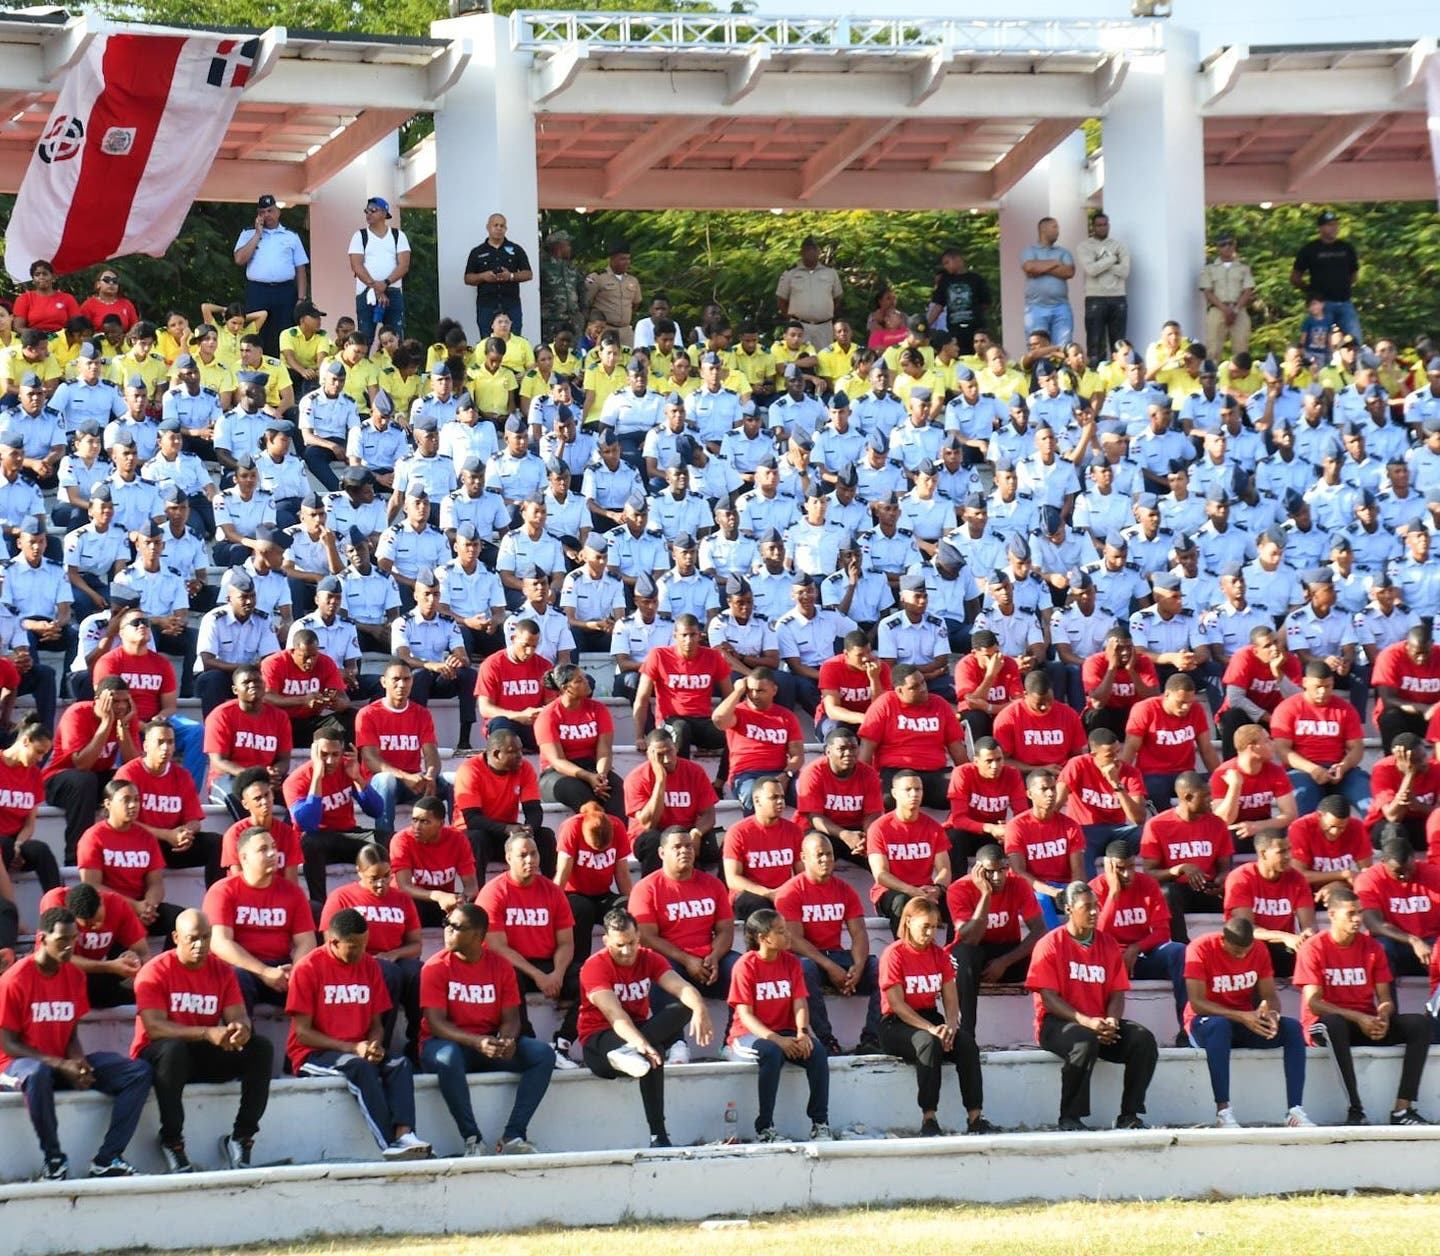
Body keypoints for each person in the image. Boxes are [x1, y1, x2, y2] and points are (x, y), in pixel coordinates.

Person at [0, 906, 153, 1180]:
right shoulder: (14, 979)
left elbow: (70, 1032)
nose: (70, 947)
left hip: (58, 1063)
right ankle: (54, 1160)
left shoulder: (75, 975)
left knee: (137, 1072)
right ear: (43, 939)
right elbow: (9, 1044)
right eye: (62, 940)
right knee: (37, 1073)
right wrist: (61, 1064)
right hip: (17, 1067)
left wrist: (78, 1061)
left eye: (73, 939)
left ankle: (107, 1159)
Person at [131, 909, 276, 1172]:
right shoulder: (154, 971)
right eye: (192, 938)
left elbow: (239, 1015)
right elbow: (154, 1028)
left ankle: (241, 1138)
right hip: (158, 1056)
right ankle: (172, 1140)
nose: (200, 945)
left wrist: (241, 1029)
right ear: (176, 938)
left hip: (199, 1053)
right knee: (173, 1050)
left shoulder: (222, 971)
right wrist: (207, 1033)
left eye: (206, 937)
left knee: (260, 1048)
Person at [286, 909, 432, 1159]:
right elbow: (303, 1034)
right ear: (334, 942)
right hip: (314, 1054)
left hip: (357, 1050)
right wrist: (353, 1048)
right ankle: (389, 1144)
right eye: (354, 946)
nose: (361, 951)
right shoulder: (308, 968)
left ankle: (405, 1135)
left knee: (399, 1064)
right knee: (360, 1067)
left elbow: (376, 1024)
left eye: (364, 944)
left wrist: (374, 1044)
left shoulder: (370, 965)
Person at [419, 901, 554, 1157]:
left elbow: (511, 1018)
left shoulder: (501, 966)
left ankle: (513, 1136)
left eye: (456, 927)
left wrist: (507, 1040)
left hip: (486, 1044)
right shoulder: (435, 967)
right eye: (446, 924)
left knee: (543, 1054)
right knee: (447, 1057)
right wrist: (477, 1042)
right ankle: (472, 1139)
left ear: (478, 935)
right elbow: (436, 1024)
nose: (447, 930)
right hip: (447, 1044)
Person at [1294, 887, 1431, 1126]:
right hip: (1326, 1025)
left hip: (1364, 1023)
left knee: (1419, 1024)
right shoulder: (1314, 947)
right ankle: (1356, 1110)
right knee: (1334, 1024)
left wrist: (1383, 1017)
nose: (1358, 919)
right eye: (1351, 914)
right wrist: (1358, 1017)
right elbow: (1315, 1004)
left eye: (1360, 912)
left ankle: (1403, 1109)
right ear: (1332, 915)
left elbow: (1385, 998)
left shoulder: (1373, 947)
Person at [1027, 881, 1158, 1131]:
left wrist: (1112, 1021)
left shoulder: (1108, 944)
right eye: (1086, 907)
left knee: (1143, 1040)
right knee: (1084, 1041)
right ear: (1068, 909)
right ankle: (1070, 1117)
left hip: (1099, 1022)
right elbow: (1049, 999)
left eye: (1096, 906)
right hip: (1057, 1023)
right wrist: (1087, 1022)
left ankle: (1129, 1115)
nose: (1095, 912)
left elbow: (1117, 992)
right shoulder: (1050, 944)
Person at [579, 907, 713, 1148]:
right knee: (653, 1052)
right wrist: (640, 1043)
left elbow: (682, 987)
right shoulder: (594, 966)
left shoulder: (649, 957)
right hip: (600, 1041)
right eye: (619, 945)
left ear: (638, 936)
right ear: (605, 941)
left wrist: (700, 1008)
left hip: (636, 1032)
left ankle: (658, 1138)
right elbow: (614, 1015)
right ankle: (628, 1054)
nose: (627, 951)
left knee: (682, 1009)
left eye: (631, 943)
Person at [879, 896, 995, 1136]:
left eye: (934, 927)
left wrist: (950, 1026)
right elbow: (897, 1005)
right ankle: (929, 1118)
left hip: (930, 1017)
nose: (930, 933)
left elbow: (951, 998)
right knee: (929, 1043)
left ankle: (975, 1117)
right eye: (925, 926)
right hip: (896, 1024)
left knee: (966, 1044)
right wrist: (932, 1029)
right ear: (908, 921)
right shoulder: (894, 954)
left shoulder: (939, 955)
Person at [1184, 916, 1312, 1129]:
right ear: (1223, 940)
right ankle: (1223, 1112)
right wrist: (1241, 1016)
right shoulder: (1200, 948)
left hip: (1244, 1021)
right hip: (1205, 1024)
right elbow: (1197, 1003)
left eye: (1246, 950)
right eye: (1236, 951)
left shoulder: (1258, 949)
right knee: (1219, 1026)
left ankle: (1294, 1111)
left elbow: (1270, 996)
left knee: (1292, 1028)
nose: (1242, 955)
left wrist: (1271, 1014)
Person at [628, 827, 736, 1056]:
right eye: (676, 847)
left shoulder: (712, 884)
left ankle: (734, 1040)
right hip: (673, 960)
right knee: (659, 969)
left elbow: (726, 930)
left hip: (708, 961)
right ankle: (676, 1044)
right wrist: (686, 959)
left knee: (743, 969)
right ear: (661, 853)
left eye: (688, 846)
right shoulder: (646, 888)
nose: (684, 851)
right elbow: (646, 937)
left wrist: (714, 956)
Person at [725, 909, 831, 1143]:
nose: (788, 935)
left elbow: (800, 1003)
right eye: (781, 931)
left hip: (784, 1033)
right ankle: (765, 1128)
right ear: (763, 938)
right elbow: (745, 1015)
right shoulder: (745, 966)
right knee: (772, 1053)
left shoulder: (792, 962)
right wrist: (777, 1039)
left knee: (817, 1051)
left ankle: (820, 1123)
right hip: (749, 1037)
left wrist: (802, 1033)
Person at [476, 834, 581, 1065]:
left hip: (547, 963)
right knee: (508, 976)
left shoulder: (553, 891)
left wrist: (557, 974)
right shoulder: (494, 892)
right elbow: (497, 947)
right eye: (522, 855)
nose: (530, 860)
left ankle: (563, 1043)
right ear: (508, 858)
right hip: (512, 964)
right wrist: (539, 976)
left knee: (590, 979)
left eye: (534, 854)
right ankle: (530, 1044)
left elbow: (566, 942)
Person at [321, 845, 423, 1063]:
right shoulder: (342, 897)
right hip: (355, 962)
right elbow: (330, 944)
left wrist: (394, 954)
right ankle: (377, 1048)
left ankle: (418, 1047)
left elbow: (416, 945)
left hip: (392, 958)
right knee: (389, 974)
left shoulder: (402, 899)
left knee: (420, 973)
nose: (381, 883)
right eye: (374, 878)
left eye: (387, 876)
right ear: (359, 871)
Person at [204, 827, 316, 1015]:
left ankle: (313, 1035)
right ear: (244, 858)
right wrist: (264, 972)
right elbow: (220, 943)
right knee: (236, 978)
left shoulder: (293, 893)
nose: (273, 853)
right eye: (263, 849)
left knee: (315, 981)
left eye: (273, 847)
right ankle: (245, 1034)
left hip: (280, 967)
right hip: (241, 967)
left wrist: (294, 972)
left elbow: (307, 941)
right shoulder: (223, 891)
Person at [1090, 842, 1187, 1042]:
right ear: (1108, 866)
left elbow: (1162, 932)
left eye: (1131, 867)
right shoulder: (1095, 889)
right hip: (1111, 961)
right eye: (1120, 868)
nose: (1128, 874)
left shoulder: (1148, 884)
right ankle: (1104, 1031)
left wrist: (1136, 948)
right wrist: (1113, 894)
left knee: (1179, 951)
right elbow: (1096, 936)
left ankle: (1187, 1029)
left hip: (1141, 956)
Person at [947, 845, 1044, 1038]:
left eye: (1002, 870)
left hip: (1006, 954)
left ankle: (1049, 1028)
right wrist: (986, 895)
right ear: (978, 870)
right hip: (972, 955)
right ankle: (966, 1034)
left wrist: (1004, 962)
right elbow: (971, 938)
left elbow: (1039, 930)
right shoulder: (958, 889)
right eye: (990, 871)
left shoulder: (1018, 884)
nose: (998, 877)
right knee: (967, 955)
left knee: (1047, 954)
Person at [114, 720, 223, 888]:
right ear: (146, 746)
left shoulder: (182, 775)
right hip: (140, 842)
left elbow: (194, 820)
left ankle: (216, 897)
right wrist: (167, 835)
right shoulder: (128, 773)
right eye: (160, 742)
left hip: (172, 844)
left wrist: (185, 833)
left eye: (170, 742)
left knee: (218, 843)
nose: (166, 748)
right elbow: (124, 823)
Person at [283, 726, 386, 903]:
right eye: (324, 754)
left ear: (342, 751)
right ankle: (319, 904)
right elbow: (308, 824)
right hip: (319, 840)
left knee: (390, 840)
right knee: (309, 841)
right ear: (314, 752)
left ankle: (385, 900)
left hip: (349, 835)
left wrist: (358, 778)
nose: (330, 761)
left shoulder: (348, 767)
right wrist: (317, 777)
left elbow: (376, 810)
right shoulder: (296, 780)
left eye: (335, 754)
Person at [355, 659, 448, 843]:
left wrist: (430, 775)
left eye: (407, 679)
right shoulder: (368, 714)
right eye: (396, 679)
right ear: (384, 682)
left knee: (452, 780)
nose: (402, 685)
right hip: (378, 784)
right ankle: (385, 844)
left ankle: (456, 840)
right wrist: (405, 777)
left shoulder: (422, 713)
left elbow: (431, 753)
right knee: (386, 780)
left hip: (413, 782)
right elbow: (371, 760)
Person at [77, 779, 181, 942]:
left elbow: (156, 883)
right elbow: (92, 886)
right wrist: (135, 906)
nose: (133, 805)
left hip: (142, 908)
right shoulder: (93, 837)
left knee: (183, 921)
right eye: (126, 800)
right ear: (108, 804)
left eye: (137, 800)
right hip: (109, 911)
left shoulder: (147, 837)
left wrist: (149, 906)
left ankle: (169, 959)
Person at [1140, 772, 1234, 944]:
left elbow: (1225, 868)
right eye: (1205, 795)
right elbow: (1149, 874)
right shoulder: (1157, 825)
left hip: (1207, 890)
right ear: (1188, 797)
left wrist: (1220, 880)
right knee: (1166, 892)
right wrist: (1180, 869)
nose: (1211, 799)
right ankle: (1181, 944)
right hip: (1177, 892)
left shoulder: (1218, 824)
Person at [857, 665, 966, 809]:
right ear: (899, 691)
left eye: (923, 682)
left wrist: (969, 777)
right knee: (888, 799)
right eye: (914, 687)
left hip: (935, 771)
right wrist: (861, 783)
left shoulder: (940, 704)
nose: (923, 689)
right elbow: (867, 747)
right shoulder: (885, 704)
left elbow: (957, 747)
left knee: (960, 793)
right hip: (896, 771)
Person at [452, 727, 556, 877]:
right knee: (478, 838)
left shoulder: (524, 768)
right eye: (513, 751)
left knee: (545, 836)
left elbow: (533, 809)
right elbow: (472, 819)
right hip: (471, 833)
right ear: (496, 754)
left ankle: (551, 887)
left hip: (505, 833)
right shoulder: (470, 770)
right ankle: (476, 891)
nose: (520, 756)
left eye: (520, 750)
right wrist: (506, 828)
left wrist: (529, 829)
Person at [1271, 661, 1369, 816]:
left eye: (1328, 686)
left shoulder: (1345, 709)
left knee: (1371, 801)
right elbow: (1282, 750)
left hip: (1339, 769)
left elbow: (1357, 748)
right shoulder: (1287, 708)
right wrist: (1313, 769)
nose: (1323, 692)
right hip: (1302, 770)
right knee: (1303, 805)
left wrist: (1343, 766)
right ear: (1305, 683)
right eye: (1318, 687)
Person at [623, 729, 722, 875]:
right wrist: (660, 781)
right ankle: (656, 888)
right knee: (656, 843)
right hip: (652, 834)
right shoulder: (637, 777)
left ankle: (718, 888)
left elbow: (709, 814)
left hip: (687, 830)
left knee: (726, 841)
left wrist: (697, 832)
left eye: (669, 751)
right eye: (660, 755)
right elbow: (649, 823)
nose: (667, 759)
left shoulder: (694, 771)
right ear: (649, 754)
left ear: (676, 748)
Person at [35, 882, 148, 1010]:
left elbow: (143, 951)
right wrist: (108, 966)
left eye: (99, 919)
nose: (97, 927)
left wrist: (134, 958)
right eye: (89, 925)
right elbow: (56, 956)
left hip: (97, 971)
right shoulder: (55, 902)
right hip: (62, 974)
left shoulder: (116, 903)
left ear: (102, 901)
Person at [866, 769, 951, 935]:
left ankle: (951, 949)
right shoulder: (879, 828)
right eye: (908, 790)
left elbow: (944, 869)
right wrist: (911, 891)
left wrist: (938, 888)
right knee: (903, 901)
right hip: (892, 892)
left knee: (957, 898)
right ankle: (905, 949)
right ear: (894, 794)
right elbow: (881, 875)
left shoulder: (934, 827)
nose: (914, 794)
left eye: (918, 789)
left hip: (925, 890)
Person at [535, 663, 623, 821]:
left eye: (584, 677)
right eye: (579, 680)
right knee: (582, 795)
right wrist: (588, 777)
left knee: (615, 787)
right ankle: (594, 834)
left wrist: (601, 776)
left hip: (591, 767)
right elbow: (557, 761)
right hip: (556, 774)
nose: (586, 682)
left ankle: (619, 834)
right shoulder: (548, 716)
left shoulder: (599, 709)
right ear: (565, 688)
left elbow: (604, 750)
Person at [1223, 832, 1316, 979]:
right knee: (1254, 948)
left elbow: (1309, 924)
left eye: (1289, 849)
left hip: (1282, 947)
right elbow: (1246, 929)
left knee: (1312, 950)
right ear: (1263, 854)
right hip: (1248, 946)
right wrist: (1284, 937)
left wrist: (1307, 933)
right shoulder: (1241, 877)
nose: (1288, 856)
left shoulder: (1297, 878)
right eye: (1281, 852)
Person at [712, 666, 804, 812]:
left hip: (780, 772)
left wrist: (786, 775)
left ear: (774, 690)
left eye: (760, 691)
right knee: (755, 796)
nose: (754, 695)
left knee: (806, 791)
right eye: (750, 690)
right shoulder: (738, 712)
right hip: (746, 775)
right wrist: (738, 691)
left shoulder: (787, 717)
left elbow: (798, 756)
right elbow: (718, 720)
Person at [204, 664, 292, 815]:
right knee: (245, 799)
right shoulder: (221, 715)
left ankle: (286, 831)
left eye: (257, 681)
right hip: (229, 778)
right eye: (246, 682)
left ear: (264, 685)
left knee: (298, 793)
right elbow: (219, 762)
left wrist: (275, 773)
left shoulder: (280, 716)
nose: (253, 685)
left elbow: (284, 760)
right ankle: (251, 831)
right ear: (235, 690)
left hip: (265, 778)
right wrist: (253, 777)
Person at [1056, 728, 1147, 875]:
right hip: (1086, 830)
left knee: (1148, 834)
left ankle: (1153, 881)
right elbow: (1057, 802)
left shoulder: (1130, 772)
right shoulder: (1078, 764)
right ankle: (1089, 887)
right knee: (1079, 843)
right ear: (1093, 755)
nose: (1116, 758)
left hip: (1117, 831)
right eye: (1110, 755)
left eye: (1118, 752)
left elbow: (1139, 818)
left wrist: (1116, 783)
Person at [1121, 674, 1218, 810]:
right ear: (1166, 695)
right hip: (1153, 774)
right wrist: (1121, 779)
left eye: (1189, 702)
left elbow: (1206, 749)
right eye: (1181, 702)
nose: (1186, 707)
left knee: (1216, 786)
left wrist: (1219, 775)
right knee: (1156, 791)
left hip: (1185, 774)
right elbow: (1131, 747)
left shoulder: (1196, 710)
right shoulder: (1145, 709)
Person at [1354, 830, 1440, 979]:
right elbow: (1375, 925)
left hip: (1432, 942)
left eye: (1409, 870)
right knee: (1381, 947)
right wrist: (1413, 940)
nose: (1405, 876)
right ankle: (1387, 995)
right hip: (1396, 943)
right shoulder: (1369, 880)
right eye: (1398, 872)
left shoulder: (1434, 874)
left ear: (1414, 858)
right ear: (1383, 863)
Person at [555, 801, 633, 963]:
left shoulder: (617, 827)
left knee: (626, 909)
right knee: (583, 910)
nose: (599, 852)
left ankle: (624, 963)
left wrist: (633, 905)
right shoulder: (572, 828)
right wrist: (551, 906)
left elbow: (623, 874)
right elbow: (562, 873)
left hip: (603, 894)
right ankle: (578, 967)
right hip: (574, 894)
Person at [796, 727, 884, 869]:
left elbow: (873, 814)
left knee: (882, 853)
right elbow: (814, 817)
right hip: (821, 830)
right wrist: (844, 835)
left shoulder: (869, 774)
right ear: (828, 752)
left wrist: (867, 838)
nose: (848, 753)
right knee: (816, 848)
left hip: (855, 831)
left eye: (853, 748)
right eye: (842, 749)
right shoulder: (813, 772)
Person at [233, 195, 309, 357]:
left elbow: (301, 269)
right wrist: (257, 235)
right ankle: (255, 366)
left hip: (284, 291)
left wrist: (301, 298)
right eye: (262, 212)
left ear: (278, 212)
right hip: (258, 290)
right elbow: (239, 259)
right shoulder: (248, 234)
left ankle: (281, 368)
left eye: (270, 211)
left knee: (284, 332)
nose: (267, 215)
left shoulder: (291, 236)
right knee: (255, 332)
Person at [721, 775, 803, 921]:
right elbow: (733, 879)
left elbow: (801, 873)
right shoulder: (738, 832)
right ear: (757, 800)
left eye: (782, 797)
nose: (780, 802)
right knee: (761, 911)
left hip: (782, 892)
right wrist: (768, 893)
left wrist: (786, 892)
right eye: (774, 797)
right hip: (750, 894)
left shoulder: (794, 830)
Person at [388, 795, 478, 928]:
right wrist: (438, 895)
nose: (417, 827)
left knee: (475, 912)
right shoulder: (402, 840)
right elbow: (404, 887)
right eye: (414, 820)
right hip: (410, 900)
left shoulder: (457, 839)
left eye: (424, 822)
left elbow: (472, 887)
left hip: (442, 903)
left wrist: (461, 900)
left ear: (441, 824)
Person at [0, 714, 63, 898]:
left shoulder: (35, 775)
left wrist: (18, 845)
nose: (41, 758)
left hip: (15, 841)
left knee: (41, 851)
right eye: (38, 751)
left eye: (44, 754)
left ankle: (57, 906)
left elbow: (29, 823)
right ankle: (8, 911)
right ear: (26, 741)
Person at [220, 768, 303, 884]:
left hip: (280, 893)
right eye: (257, 798)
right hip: (246, 894)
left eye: (267, 795)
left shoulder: (288, 833)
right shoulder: (234, 834)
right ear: (245, 804)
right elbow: (239, 882)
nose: (264, 802)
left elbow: (292, 883)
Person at [1290, 210, 1361, 344]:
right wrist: (1310, 291)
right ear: (1321, 228)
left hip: (1344, 302)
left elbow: (1354, 274)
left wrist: (1342, 286)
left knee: (1354, 341)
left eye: (1335, 224)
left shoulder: (1346, 247)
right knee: (1320, 343)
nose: (1334, 228)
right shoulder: (1310, 249)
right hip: (1322, 304)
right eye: (1329, 225)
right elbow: (1295, 277)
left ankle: (1352, 357)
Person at [348, 197, 410, 347]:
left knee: (396, 339)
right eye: (366, 211)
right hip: (367, 292)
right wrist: (377, 288)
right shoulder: (360, 236)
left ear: (384, 213)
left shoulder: (398, 235)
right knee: (365, 339)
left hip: (393, 291)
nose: (368, 214)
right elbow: (357, 265)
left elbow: (403, 265)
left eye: (373, 210)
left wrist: (385, 283)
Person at [465, 213, 532, 336]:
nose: (499, 228)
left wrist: (511, 276)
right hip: (487, 305)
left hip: (511, 304)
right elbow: (468, 278)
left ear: (506, 228)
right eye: (495, 225)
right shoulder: (477, 252)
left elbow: (528, 274)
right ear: (488, 227)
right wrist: (483, 276)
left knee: (514, 339)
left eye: (502, 226)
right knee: (487, 341)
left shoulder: (516, 249)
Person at [1076, 214, 1129, 365]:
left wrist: (1100, 263)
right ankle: (1096, 374)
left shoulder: (1119, 246)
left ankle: (1118, 373)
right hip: (1095, 297)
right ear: (1093, 227)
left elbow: (1125, 272)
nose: (1102, 228)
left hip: (1118, 297)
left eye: (1105, 224)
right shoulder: (1084, 246)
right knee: (1095, 343)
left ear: (1109, 225)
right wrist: (1113, 259)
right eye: (1099, 225)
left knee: (1119, 343)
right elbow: (1091, 270)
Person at [775, 236, 843, 348]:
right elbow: (781, 299)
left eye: (814, 249)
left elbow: (837, 297)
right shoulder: (790, 273)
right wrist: (792, 319)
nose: (811, 252)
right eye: (807, 249)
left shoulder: (830, 273)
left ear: (819, 252)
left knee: (825, 356)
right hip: (799, 326)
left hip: (824, 327)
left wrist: (823, 314)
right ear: (801, 252)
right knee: (798, 356)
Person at [1020, 217, 1075, 347]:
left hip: (1061, 307)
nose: (1058, 231)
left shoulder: (1063, 252)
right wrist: (1055, 263)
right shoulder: (1030, 251)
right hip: (1035, 308)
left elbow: (1069, 272)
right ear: (1043, 229)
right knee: (1037, 347)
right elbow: (1029, 268)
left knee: (1063, 348)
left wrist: (1040, 268)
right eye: (1054, 227)